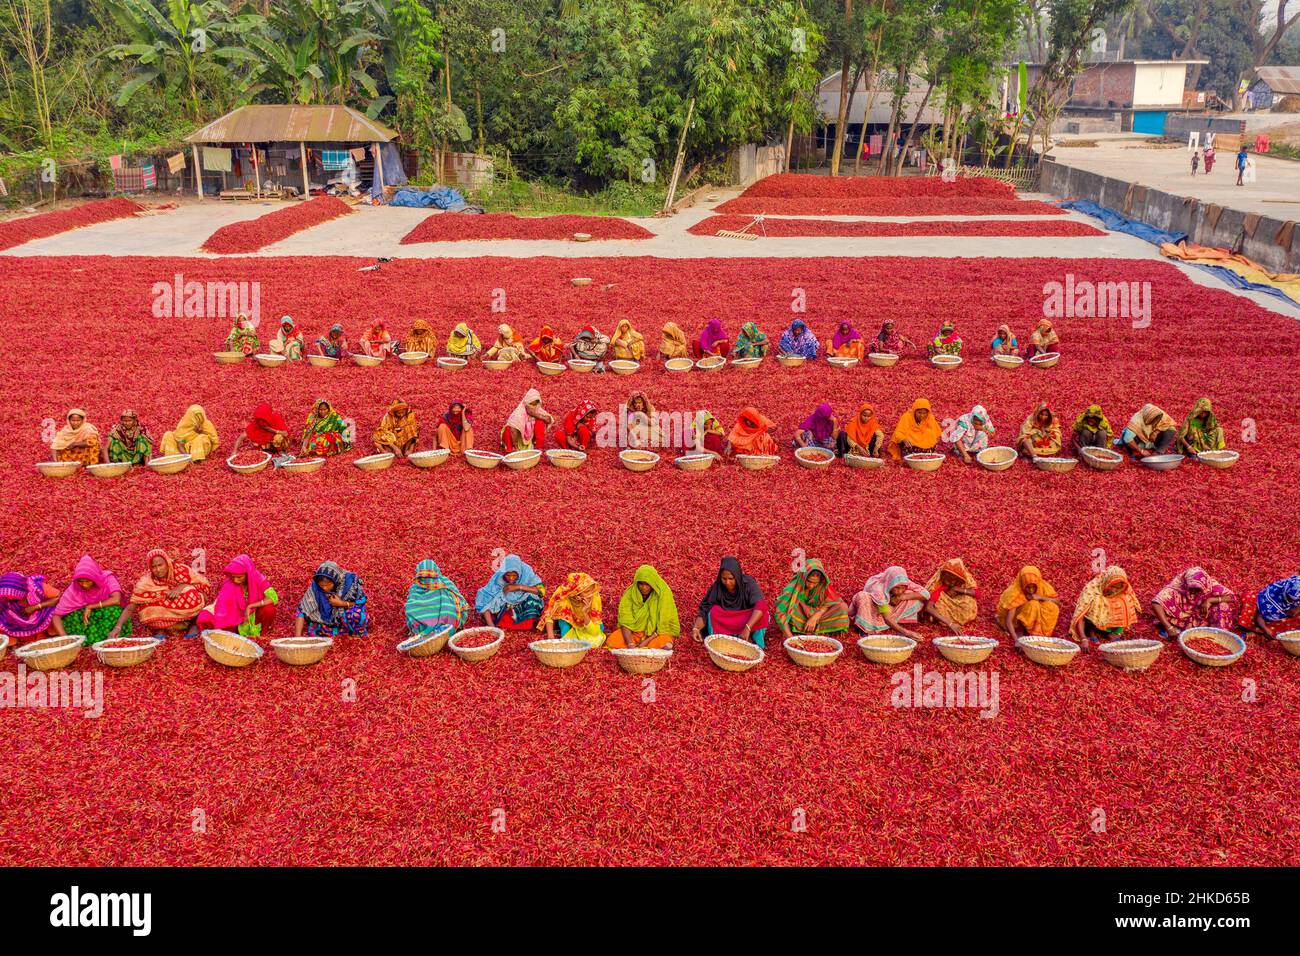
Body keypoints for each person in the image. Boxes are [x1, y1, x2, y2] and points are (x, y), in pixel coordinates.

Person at [112, 549, 212, 640]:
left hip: (187, 610)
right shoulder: (146, 582)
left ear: (167, 563)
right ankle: (161, 628)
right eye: (154, 567)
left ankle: (193, 623)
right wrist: (118, 627)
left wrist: (181, 586)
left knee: (190, 592)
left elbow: (202, 586)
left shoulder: (181, 570)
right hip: (167, 610)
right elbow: (131, 607)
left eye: (160, 565)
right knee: (145, 606)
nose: (158, 570)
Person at [691, 556, 770, 647]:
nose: (727, 583)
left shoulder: (748, 583)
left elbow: (760, 604)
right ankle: (720, 641)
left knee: (762, 613)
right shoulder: (718, 587)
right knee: (713, 611)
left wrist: (747, 627)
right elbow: (705, 609)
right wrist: (696, 628)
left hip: (745, 620)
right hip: (727, 620)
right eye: (724, 579)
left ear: (737, 576)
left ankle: (754, 641)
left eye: (731, 579)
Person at [50, 555, 129, 645]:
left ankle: (109, 635)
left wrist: (91, 606)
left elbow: (116, 599)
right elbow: (56, 614)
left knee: (115, 610)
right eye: (81, 581)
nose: (84, 585)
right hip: (87, 618)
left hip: (105, 613)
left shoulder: (107, 579)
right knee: (72, 617)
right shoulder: (74, 589)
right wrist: (64, 637)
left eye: (88, 581)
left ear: (94, 577)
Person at [196, 554, 278, 638]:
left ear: (247, 574)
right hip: (236, 618)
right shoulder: (230, 583)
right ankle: (238, 633)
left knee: (268, 609)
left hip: (254, 616)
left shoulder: (257, 579)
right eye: (233, 577)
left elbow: (272, 597)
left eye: (239, 577)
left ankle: (263, 633)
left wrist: (250, 606)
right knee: (204, 617)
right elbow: (222, 604)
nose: (235, 580)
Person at [775, 559, 851, 639]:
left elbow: (831, 602)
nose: (811, 586)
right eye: (809, 581)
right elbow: (779, 612)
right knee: (791, 606)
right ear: (803, 577)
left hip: (818, 614)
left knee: (842, 607)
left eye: (815, 583)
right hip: (801, 616)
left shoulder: (822, 585)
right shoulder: (792, 589)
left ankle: (817, 627)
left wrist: (815, 616)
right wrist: (789, 638)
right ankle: (800, 629)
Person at [1151, 567, 1236, 637]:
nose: (1194, 593)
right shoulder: (1179, 584)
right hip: (1180, 617)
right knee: (1161, 614)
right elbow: (1156, 602)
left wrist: (1209, 600)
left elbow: (1232, 597)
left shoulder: (1210, 585)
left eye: (1198, 590)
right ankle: (1174, 629)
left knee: (1223, 606)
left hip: (1202, 616)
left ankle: (1219, 634)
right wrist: (1168, 627)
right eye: (1192, 589)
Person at [610, 565, 679, 650]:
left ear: (653, 583)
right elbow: (625, 621)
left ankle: (653, 645)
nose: (643, 587)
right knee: (613, 640)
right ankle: (644, 647)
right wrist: (630, 643)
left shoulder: (663, 594)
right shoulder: (629, 594)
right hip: (634, 633)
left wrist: (650, 638)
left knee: (665, 641)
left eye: (647, 584)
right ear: (636, 582)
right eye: (641, 583)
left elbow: (666, 623)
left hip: (655, 635)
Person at [849, 566, 929, 639]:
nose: (900, 591)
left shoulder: (901, 581)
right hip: (871, 610)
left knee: (915, 596)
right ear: (890, 583)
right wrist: (907, 633)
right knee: (862, 596)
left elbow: (926, 594)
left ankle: (892, 624)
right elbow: (886, 618)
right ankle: (865, 628)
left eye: (903, 588)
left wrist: (901, 597)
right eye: (897, 588)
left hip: (887, 609)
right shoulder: (878, 588)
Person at [296, 561, 369, 637]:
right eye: (321, 585)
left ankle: (356, 632)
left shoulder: (350, 582)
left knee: (355, 615)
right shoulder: (316, 587)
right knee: (314, 630)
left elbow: (361, 603)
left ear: (335, 580)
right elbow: (301, 610)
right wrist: (297, 638)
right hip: (328, 622)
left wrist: (341, 603)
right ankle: (340, 631)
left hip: (345, 619)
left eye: (328, 585)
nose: (324, 588)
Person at [1070, 566, 1140, 643]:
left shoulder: (1124, 587)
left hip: (1111, 626)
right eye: (1112, 586)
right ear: (1106, 581)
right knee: (1096, 604)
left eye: (1118, 587)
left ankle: (1114, 632)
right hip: (1093, 625)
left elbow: (1132, 602)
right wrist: (1083, 638)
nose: (1114, 590)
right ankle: (1092, 631)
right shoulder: (1091, 589)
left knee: (1126, 601)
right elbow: (1080, 614)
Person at [475, 554, 545, 630]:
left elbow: (542, 591)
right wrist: (491, 627)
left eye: (515, 575)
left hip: (522, 603)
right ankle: (500, 623)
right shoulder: (498, 577)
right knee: (491, 601)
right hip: (506, 607)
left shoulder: (526, 572)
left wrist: (518, 587)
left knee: (532, 597)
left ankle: (526, 624)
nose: (511, 578)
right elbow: (485, 598)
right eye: (508, 575)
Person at [404, 559, 469, 637]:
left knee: (412, 609)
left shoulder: (415, 588)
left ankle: (425, 633)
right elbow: (461, 601)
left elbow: (410, 608)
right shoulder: (445, 582)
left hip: (424, 633)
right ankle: (448, 632)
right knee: (451, 609)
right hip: (450, 625)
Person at [539, 572, 605, 646]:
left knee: (595, 639)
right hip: (571, 626)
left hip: (591, 626)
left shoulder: (594, 597)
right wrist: (551, 637)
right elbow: (549, 613)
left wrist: (585, 614)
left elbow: (594, 632)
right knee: (568, 642)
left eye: (591, 590)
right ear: (575, 592)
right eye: (586, 592)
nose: (590, 594)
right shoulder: (564, 596)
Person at [995, 565, 1061, 639]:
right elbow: (1009, 620)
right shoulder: (1015, 593)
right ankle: (1024, 631)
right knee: (1033, 604)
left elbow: (1058, 603)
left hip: (1032, 610)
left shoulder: (1044, 587)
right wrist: (1016, 640)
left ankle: (1039, 633)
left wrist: (1040, 597)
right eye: (1028, 587)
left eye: (1034, 587)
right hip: (1015, 621)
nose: (1031, 590)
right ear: (1022, 584)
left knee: (1052, 607)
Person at [0, 571, 61, 645]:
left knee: (56, 610)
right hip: (21, 620)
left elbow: (58, 598)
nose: (8, 598)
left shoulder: (37, 587)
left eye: (12, 596)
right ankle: (13, 638)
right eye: (6, 596)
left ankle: (48, 631)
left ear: (21, 590)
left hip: (41, 614)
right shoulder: (5, 596)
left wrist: (36, 607)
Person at [923, 558, 978, 634]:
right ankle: (941, 619)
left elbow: (977, 593)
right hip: (944, 611)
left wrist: (958, 589)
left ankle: (959, 618)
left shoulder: (964, 578)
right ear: (943, 575)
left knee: (969, 599)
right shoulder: (938, 584)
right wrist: (950, 623)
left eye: (955, 580)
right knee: (939, 600)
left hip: (957, 604)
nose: (951, 583)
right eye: (948, 579)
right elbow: (928, 607)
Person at [1239, 574, 1300, 639]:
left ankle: (1259, 634)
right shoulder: (1274, 593)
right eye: (1290, 599)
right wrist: (1265, 629)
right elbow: (1260, 614)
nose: (1293, 601)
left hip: (1283, 620)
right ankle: (1258, 633)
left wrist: (1298, 609)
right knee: (1250, 599)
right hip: (1262, 618)